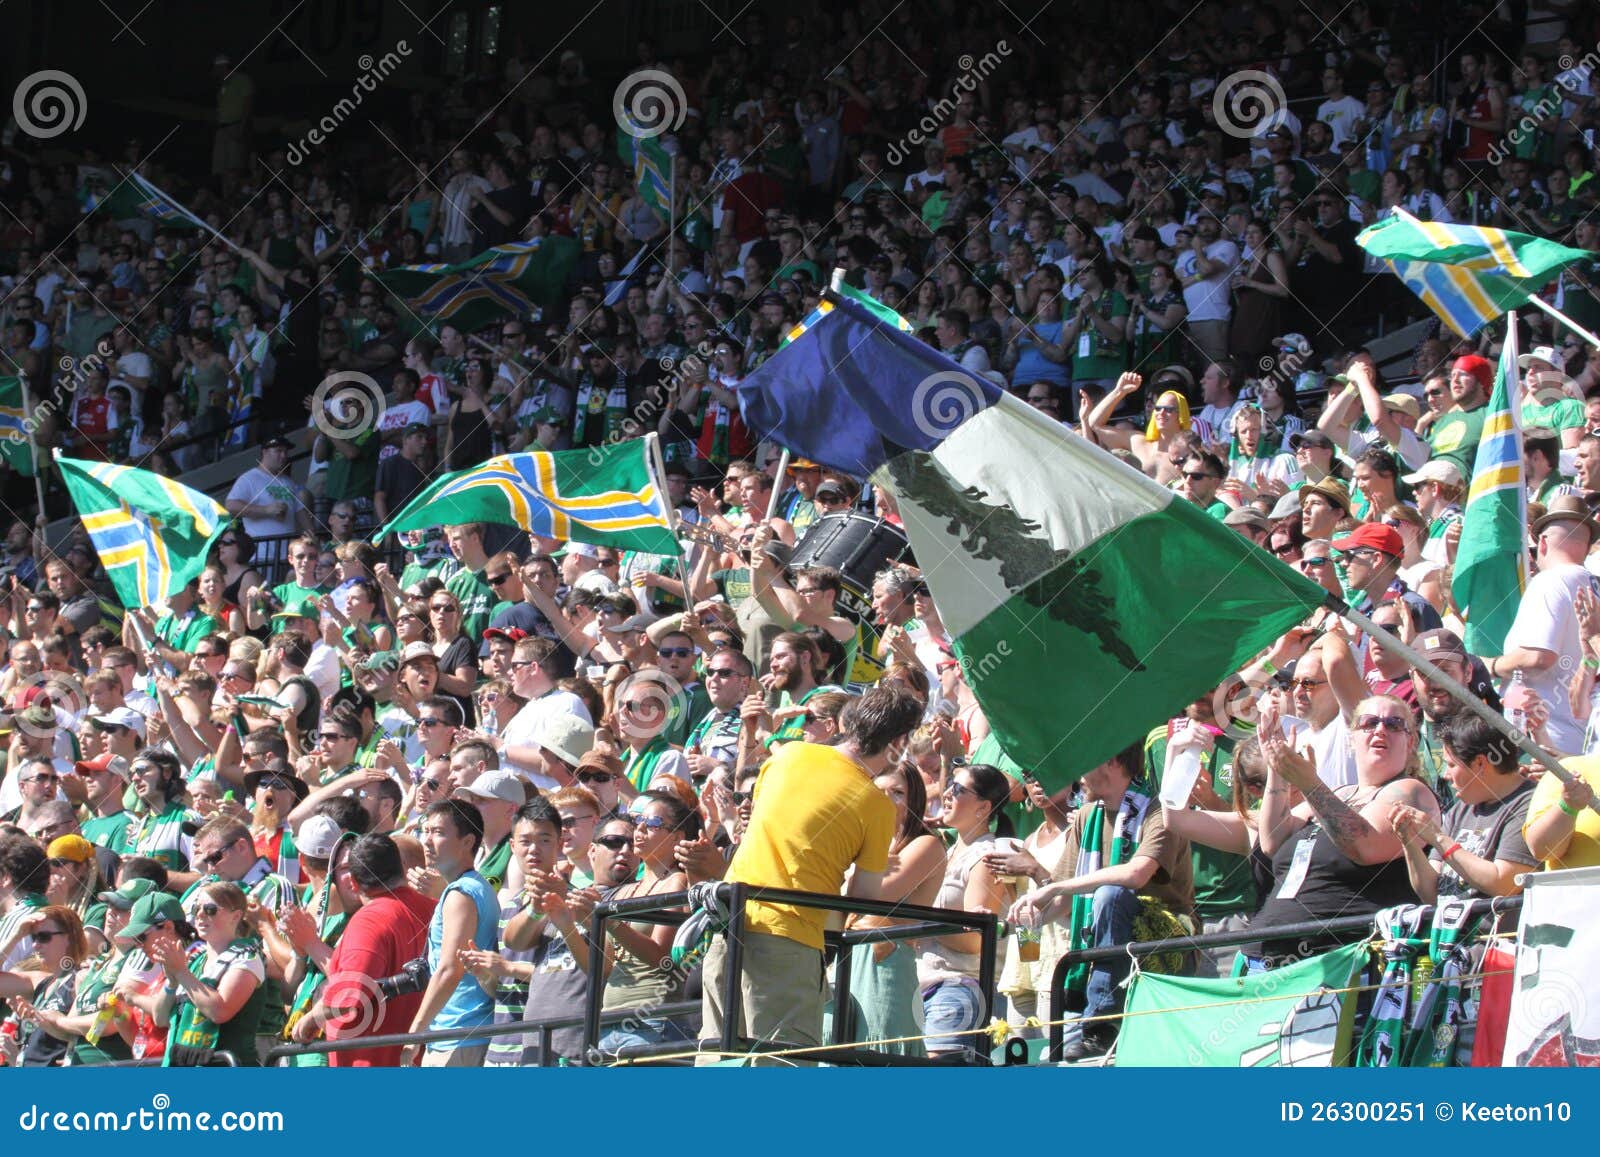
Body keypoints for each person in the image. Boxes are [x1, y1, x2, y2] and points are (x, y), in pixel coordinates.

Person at [698, 685, 919, 1065]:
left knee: (715, 1060)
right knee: (783, 1066)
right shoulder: (877, 806)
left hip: (726, 928)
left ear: (848, 720)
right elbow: (863, 896)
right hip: (791, 943)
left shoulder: (787, 757)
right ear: (900, 741)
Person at [1008, 740, 1193, 1060]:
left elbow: (1136, 875)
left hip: (1161, 949)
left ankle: (1102, 1022)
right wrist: (1034, 913)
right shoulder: (1086, 817)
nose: (1077, 776)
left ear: (1112, 762)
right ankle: (1097, 1020)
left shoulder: (1158, 811)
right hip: (1098, 958)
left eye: (1084, 762)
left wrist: (1054, 889)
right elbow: (1064, 900)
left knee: (1110, 894)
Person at [1245, 695, 1441, 968]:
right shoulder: (1338, 793)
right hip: (1267, 956)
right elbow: (1272, 841)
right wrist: (1277, 768)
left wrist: (1310, 784)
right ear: (1352, 738)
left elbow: (1363, 845)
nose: (1380, 729)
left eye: (1394, 724)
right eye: (1369, 722)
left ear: (1410, 742)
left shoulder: (1410, 791)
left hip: (1339, 962)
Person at [305, 834, 435, 1067]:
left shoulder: (369, 920)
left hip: (370, 1061)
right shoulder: (435, 908)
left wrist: (311, 1019)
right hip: (417, 1057)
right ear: (402, 869)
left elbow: (352, 994)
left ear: (353, 883)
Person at [1389, 712, 1538, 902]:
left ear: (1480, 764)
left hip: (1489, 931)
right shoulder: (1461, 810)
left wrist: (1438, 838)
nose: (1445, 774)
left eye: (1451, 764)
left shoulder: (1528, 804)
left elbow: (1504, 884)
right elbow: (1431, 893)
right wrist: (1408, 840)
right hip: (1447, 928)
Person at [403, 799, 499, 1066]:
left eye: (439, 832)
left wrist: (415, 1032)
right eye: (426, 831)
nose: (427, 841)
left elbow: (450, 969)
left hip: (460, 1037)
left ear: (468, 842)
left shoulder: (461, 893)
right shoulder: (466, 888)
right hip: (457, 1035)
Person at [146, 883, 267, 1066]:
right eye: (196, 908)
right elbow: (161, 1018)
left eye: (210, 909)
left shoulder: (247, 957)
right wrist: (172, 981)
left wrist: (181, 972)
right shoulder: (195, 959)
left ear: (236, 916)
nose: (200, 914)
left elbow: (220, 1011)